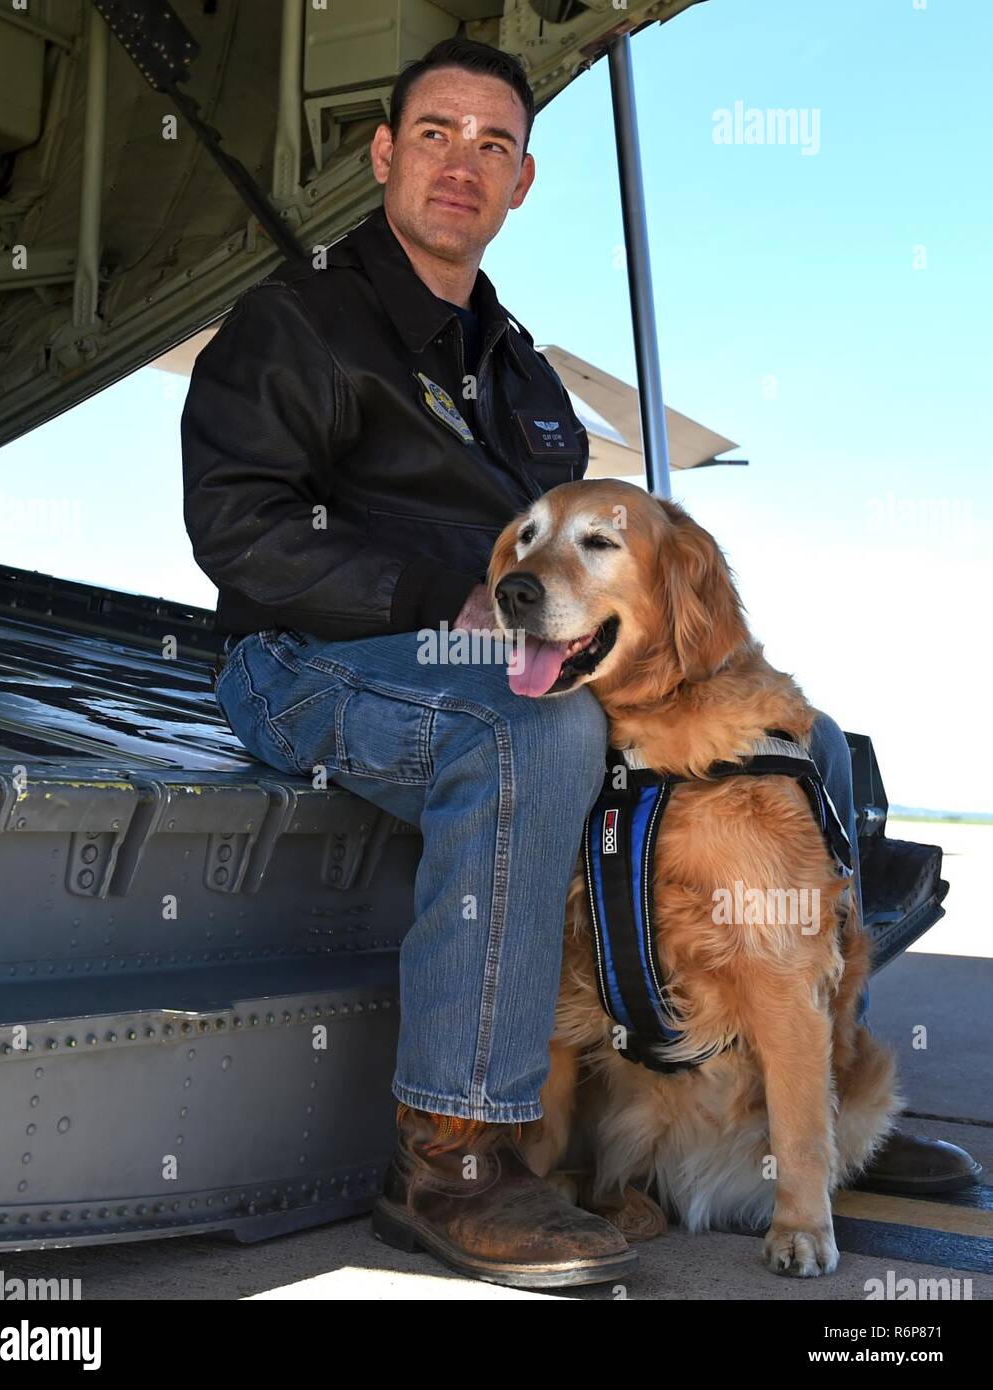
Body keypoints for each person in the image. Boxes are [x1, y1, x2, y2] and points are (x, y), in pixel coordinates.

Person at [180, 37, 978, 1289]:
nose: (462, 164)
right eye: (435, 134)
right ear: (384, 155)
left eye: (491, 145)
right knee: (532, 736)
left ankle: (805, 1104)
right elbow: (236, 529)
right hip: (311, 660)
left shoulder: (519, 368)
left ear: (521, 184)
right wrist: (440, 602)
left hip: (507, 658)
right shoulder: (294, 330)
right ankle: (452, 1158)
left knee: (801, 742)